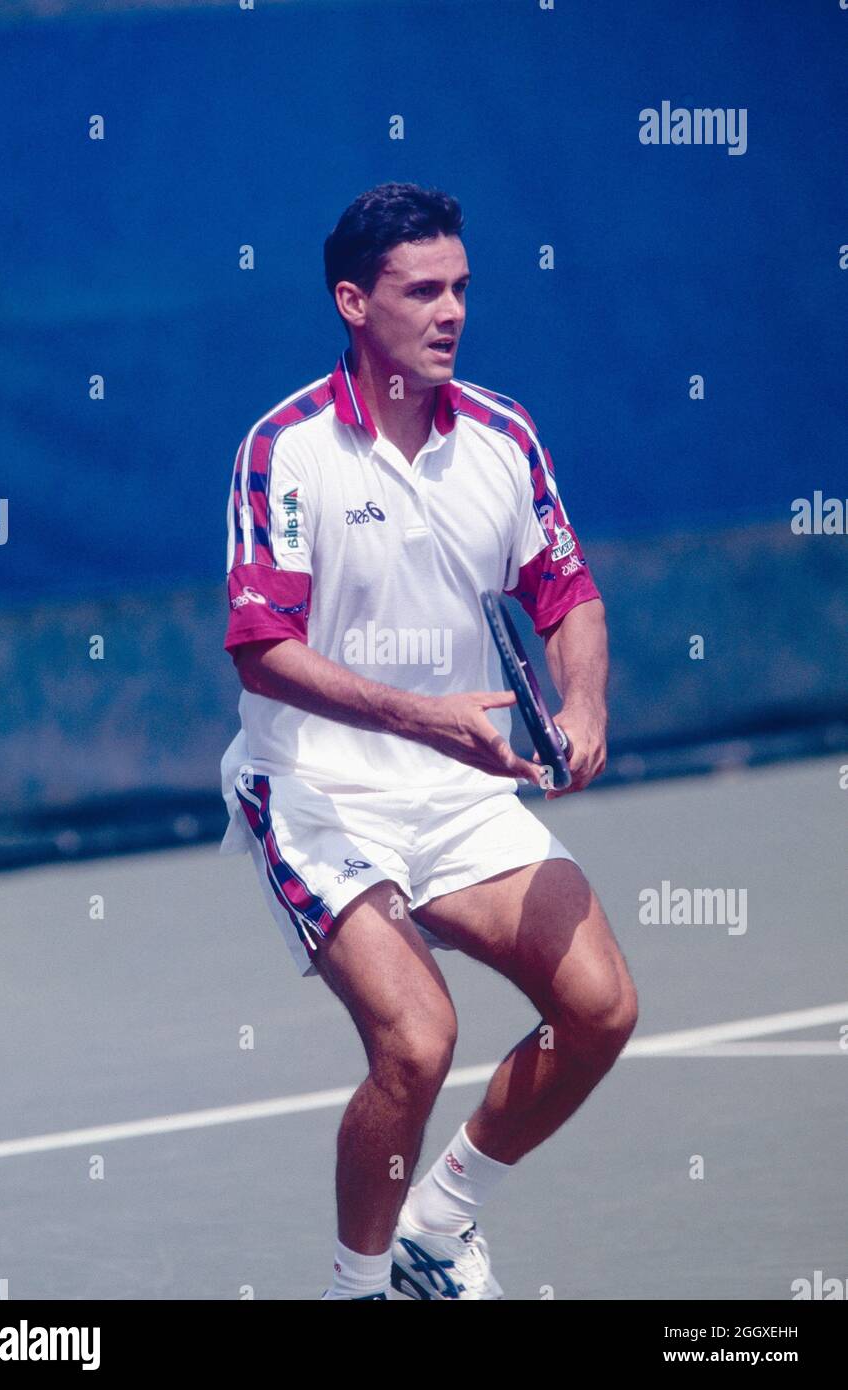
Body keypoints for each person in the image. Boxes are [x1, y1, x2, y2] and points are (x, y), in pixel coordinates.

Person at [219, 182, 638, 1300]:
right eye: (420, 290)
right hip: (314, 792)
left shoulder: (502, 436)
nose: (450, 310)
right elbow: (260, 648)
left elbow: (566, 594)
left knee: (599, 1007)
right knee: (415, 1039)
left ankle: (436, 1226)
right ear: (353, 302)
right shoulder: (285, 450)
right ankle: (356, 1291)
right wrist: (424, 717)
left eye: (459, 287)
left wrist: (582, 702)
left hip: (456, 793)